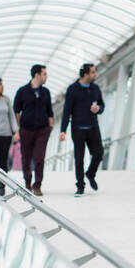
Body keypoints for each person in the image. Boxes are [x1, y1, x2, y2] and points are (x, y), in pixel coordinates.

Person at [59, 62, 104, 196]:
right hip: (78, 128)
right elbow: (67, 111)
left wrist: (99, 109)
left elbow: (102, 105)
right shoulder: (72, 89)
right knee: (79, 158)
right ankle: (80, 186)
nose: (95, 74)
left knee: (99, 153)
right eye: (93, 72)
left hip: (93, 127)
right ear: (85, 75)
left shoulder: (95, 88)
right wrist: (63, 130)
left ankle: (90, 174)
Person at [12, 64, 53, 196]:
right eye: (44, 74)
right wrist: (17, 130)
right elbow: (16, 112)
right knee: (26, 158)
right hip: (26, 130)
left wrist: (50, 128)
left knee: (39, 157)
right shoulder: (22, 92)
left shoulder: (46, 92)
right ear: (37, 75)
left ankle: (38, 185)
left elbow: (50, 112)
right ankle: (28, 181)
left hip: (42, 130)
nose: (46, 76)